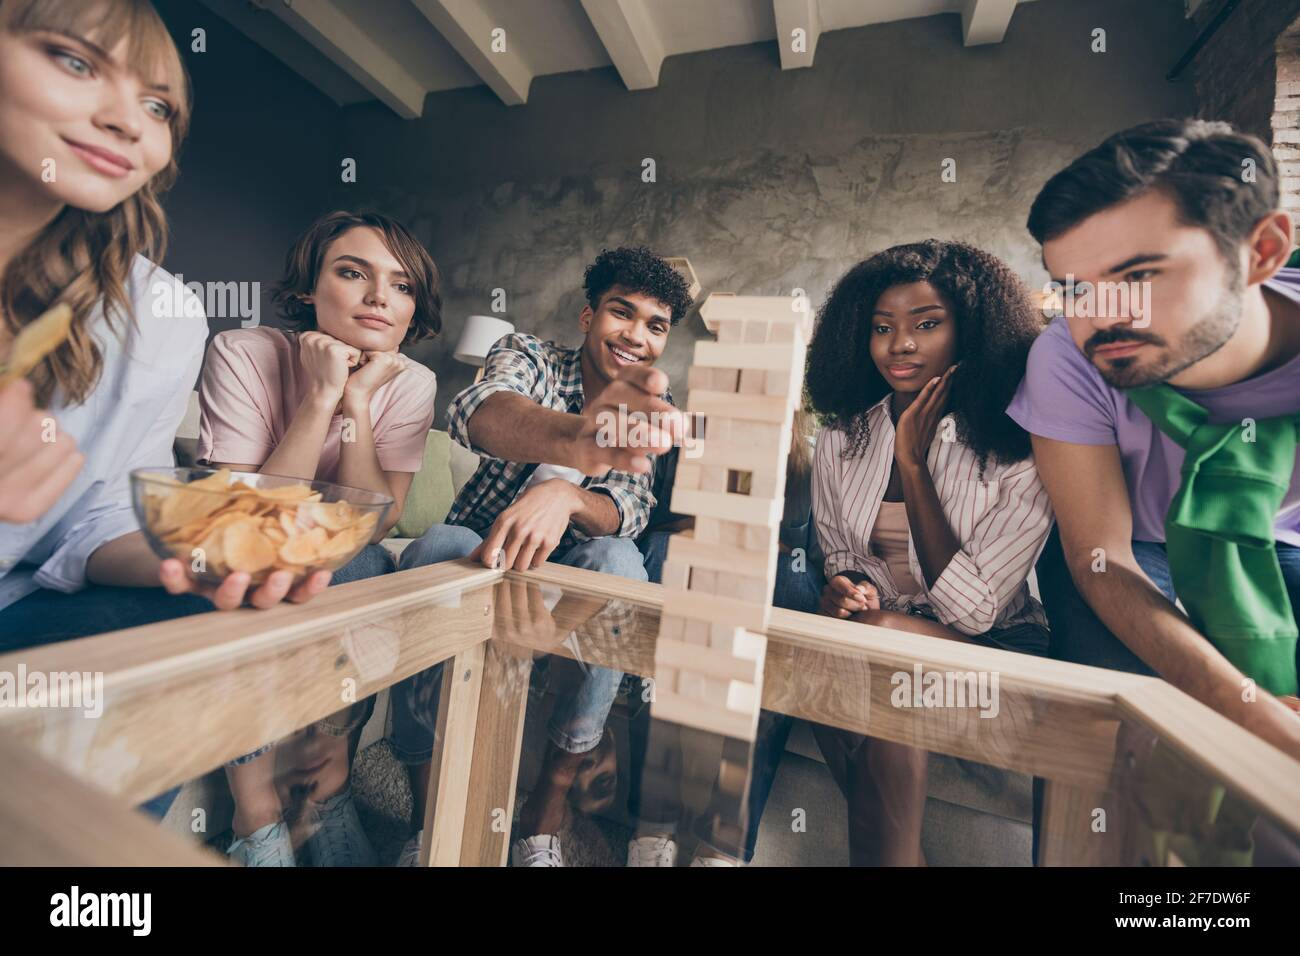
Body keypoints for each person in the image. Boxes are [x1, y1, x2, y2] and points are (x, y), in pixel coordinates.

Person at [0, 0, 331, 652]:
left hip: (20, 606)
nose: (127, 122)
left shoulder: (162, 312)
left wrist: (200, 556)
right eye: (74, 62)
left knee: (203, 617)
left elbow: (99, 514)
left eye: (158, 108)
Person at [1009, 119, 1300, 765]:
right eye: (1073, 287)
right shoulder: (1067, 357)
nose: (1101, 315)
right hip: (1134, 545)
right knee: (1121, 741)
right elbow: (1100, 557)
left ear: (1262, 251)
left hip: (1284, 538)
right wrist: (1251, 711)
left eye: (1139, 275)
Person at [393, 246, 693, 867]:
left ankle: (544, 816)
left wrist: (566, 492)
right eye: (621, 313)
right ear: (588, 316)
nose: (635, 336)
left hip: (568, 580)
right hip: (483, 557)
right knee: (437, 546)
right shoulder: (530, 355)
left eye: (655, 325)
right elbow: (479, 413)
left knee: (619, 562)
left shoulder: (650, 408)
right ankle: (427, 820)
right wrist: (578, 440)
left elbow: (629, 510)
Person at [196, 209, 441, 866]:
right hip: (245, 548)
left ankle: (324, 783)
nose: (378, 298)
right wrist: (320, 397)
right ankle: (258, 811)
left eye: (400, 285)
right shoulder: (243, 352)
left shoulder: (410, 382)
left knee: (366, 563)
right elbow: (252, 523)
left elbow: (375, 521)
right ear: (308, 288)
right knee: (254, 567)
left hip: (341, 555)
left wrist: (358, 402)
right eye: (352, 273)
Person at [805, 240, 1053, 866]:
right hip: (878, 638)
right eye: (882, 328)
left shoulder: (1016, 447)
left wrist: (913, 464)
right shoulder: (843, 437)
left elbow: (974, 614)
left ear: (968, 330)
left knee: (887, 644)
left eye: (926, 324)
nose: (900, 344)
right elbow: (838, 552)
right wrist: (845, 585)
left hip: (994, 650)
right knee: (814, 650)